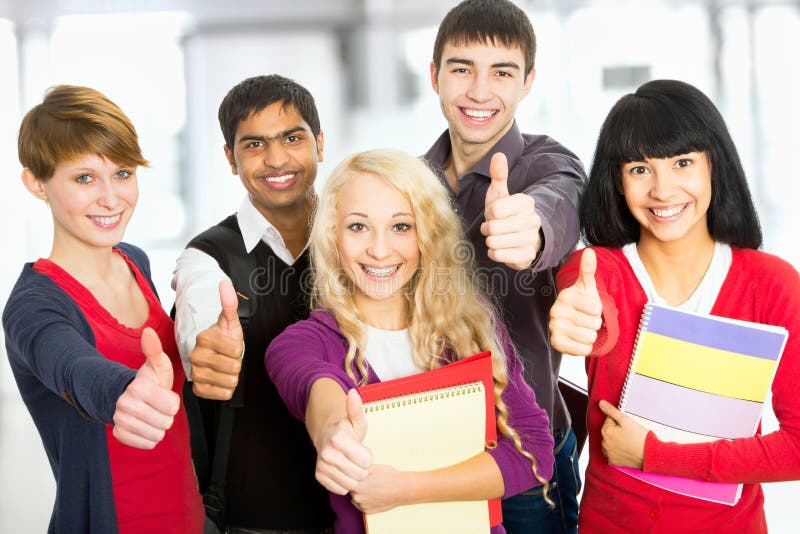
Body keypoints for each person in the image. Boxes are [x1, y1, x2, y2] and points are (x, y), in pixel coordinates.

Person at [549, 79, 800, 533]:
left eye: (682, 163)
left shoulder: (772, 284)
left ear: (713, 167)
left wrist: (655, 455)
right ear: (618, 181)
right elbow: (587, 299)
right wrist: (581, 314)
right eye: (640, 169)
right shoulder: (597, 270)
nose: (663, 191)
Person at [266, 149, 555, 533]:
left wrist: (406, 489)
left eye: (401, 226)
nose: (380, 250)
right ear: (332, 236)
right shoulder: (303, 342)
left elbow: (534, 453)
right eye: (358, 227)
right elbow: (318, 388)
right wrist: (334, 432)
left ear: (427, 235)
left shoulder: (470, 326)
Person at [3, 85, 204, 533]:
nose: (112, 199)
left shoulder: (135, 260)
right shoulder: (32, 305)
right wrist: (120, 392)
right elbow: (71, 366)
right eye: (84, 178)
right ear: (36, 183)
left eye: (123, 172)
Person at [424, 1, 586, 531]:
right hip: (430, 447)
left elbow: (561, 201)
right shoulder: (407, 183)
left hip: (527, 455)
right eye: (461, 68)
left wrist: (531, 227)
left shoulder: (546, 164)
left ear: (528, 82)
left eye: (502, 72)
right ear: (435, 76)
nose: (479, 90)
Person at [171, 74, 334, 532]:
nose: (277, 159)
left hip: (362, 509)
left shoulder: (357, 239)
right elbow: (200, 311)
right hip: (252, 518)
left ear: (320, 143)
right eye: (255, 145)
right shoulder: (207, 256)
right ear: (230, 158)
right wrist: (204, 351)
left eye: (292, 138)